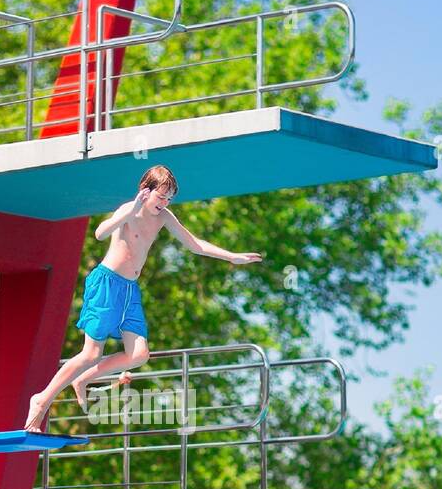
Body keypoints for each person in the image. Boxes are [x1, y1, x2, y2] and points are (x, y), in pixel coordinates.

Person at [24, 164, 263, 432]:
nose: (164, 203)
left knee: (139, 354)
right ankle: (41, 400)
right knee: (91, 353)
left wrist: (231, 256)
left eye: (169, 198)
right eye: (161, 197)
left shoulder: (164, 217)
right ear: (145, 191)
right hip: (107, 284)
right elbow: (100, 233)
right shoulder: (129, 209)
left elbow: (193, 243)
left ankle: (84, 380)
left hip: (129, 290)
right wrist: (128, 213)